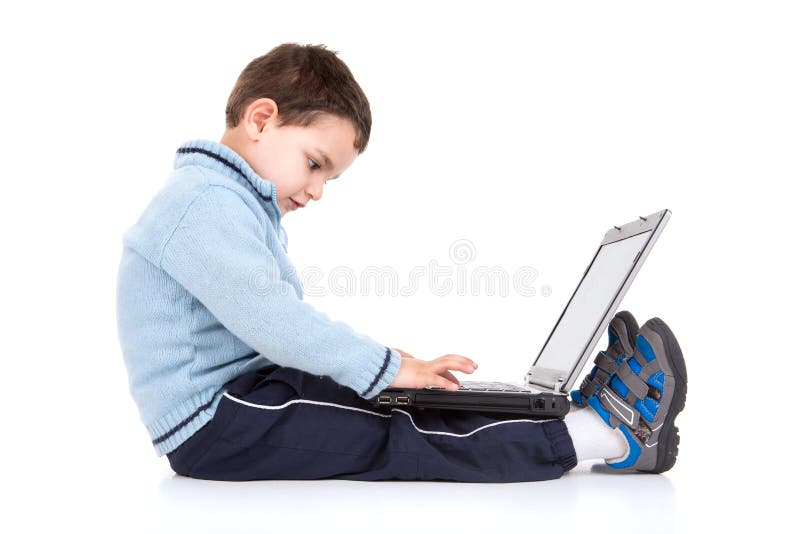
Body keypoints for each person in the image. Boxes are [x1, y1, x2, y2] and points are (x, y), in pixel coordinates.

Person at [116, 43, 687, 482]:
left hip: (240, 402)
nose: (317, 191)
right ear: (261, 119)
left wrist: (384, 371)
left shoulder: (222, 200)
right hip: (217, 421)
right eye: (315, 164)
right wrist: (384, 366)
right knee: (398, 432)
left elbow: (278, 326)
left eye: (327, 176)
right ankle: (605, 435)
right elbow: (276, 321)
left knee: (398, 401)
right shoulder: (202, 203)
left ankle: (556, 419)